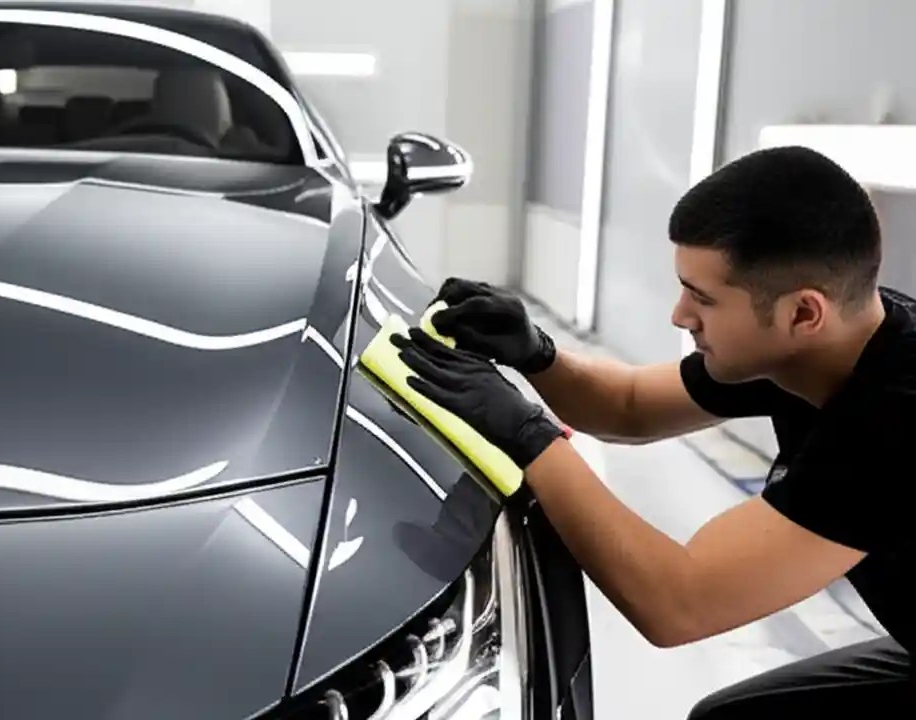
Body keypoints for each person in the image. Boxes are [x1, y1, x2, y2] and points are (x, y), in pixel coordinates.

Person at [390, 145, 915, 716]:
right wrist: (537, 354)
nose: (679, 315)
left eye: (704, 298)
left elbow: (678, 601)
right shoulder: (824, 342)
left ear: (803, 314)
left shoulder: (894, 421)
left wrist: (528, 435)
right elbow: (632, 406)